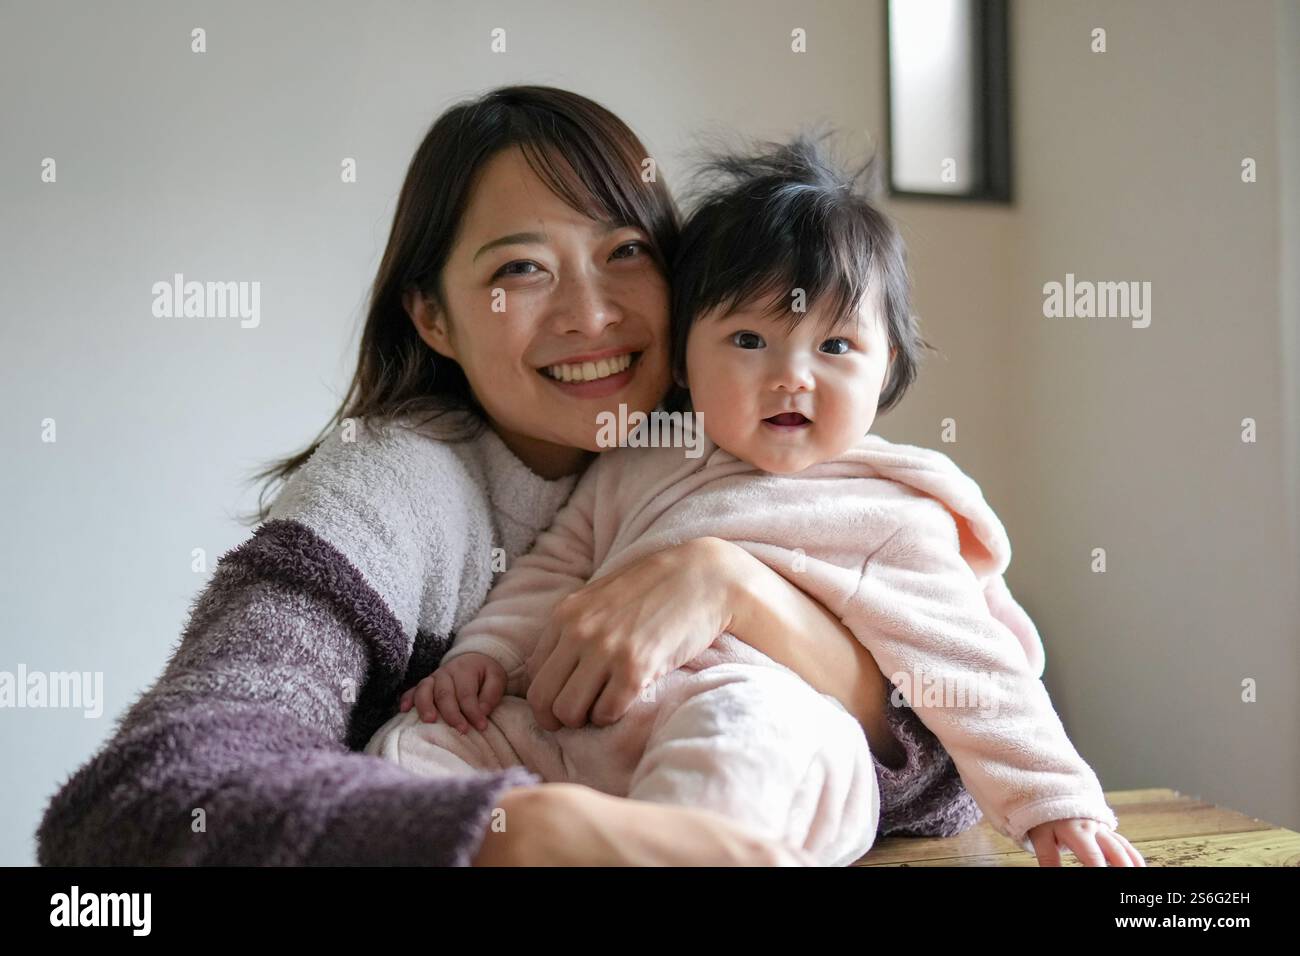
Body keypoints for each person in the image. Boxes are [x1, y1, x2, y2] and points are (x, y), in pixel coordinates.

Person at [35, 86, 963, 866]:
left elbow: (945, 778)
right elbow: (143, 805)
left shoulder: (746, 453)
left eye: (625, 253)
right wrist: (516, 831)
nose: (590, 313)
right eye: (521, 268)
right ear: (432, 317)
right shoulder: (392, 492)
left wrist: (726, 587)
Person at [371, 133, 1147, 867]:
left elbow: (974, 672)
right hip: (579, 729)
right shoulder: (639, 463)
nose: (791, 376)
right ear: (683, 358)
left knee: (756, 736)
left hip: (760, 728)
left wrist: (1056, 801)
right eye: (748, 341)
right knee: (415, 742)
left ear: (889, 368)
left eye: (835, 346)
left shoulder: (891, 512)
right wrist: (482, 659)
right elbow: (549, 571)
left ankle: (686, 845)